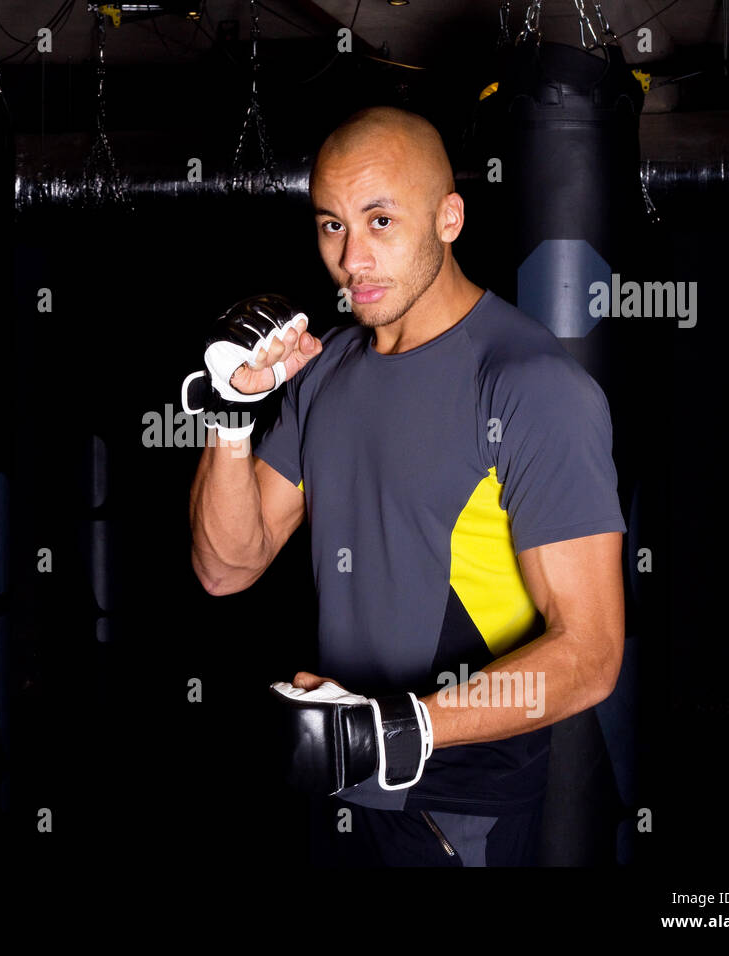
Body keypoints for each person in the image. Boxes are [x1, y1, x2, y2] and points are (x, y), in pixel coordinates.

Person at [186, 106, 626, 866]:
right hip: (336, 788)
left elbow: (592, 653)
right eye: (332, 225)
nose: (352, 258)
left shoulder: (530, 385)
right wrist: (231, 417)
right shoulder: (325, 372)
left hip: (454, 811)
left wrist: (403, 729)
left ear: (449, 218)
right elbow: (227, 566)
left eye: (381, 220)